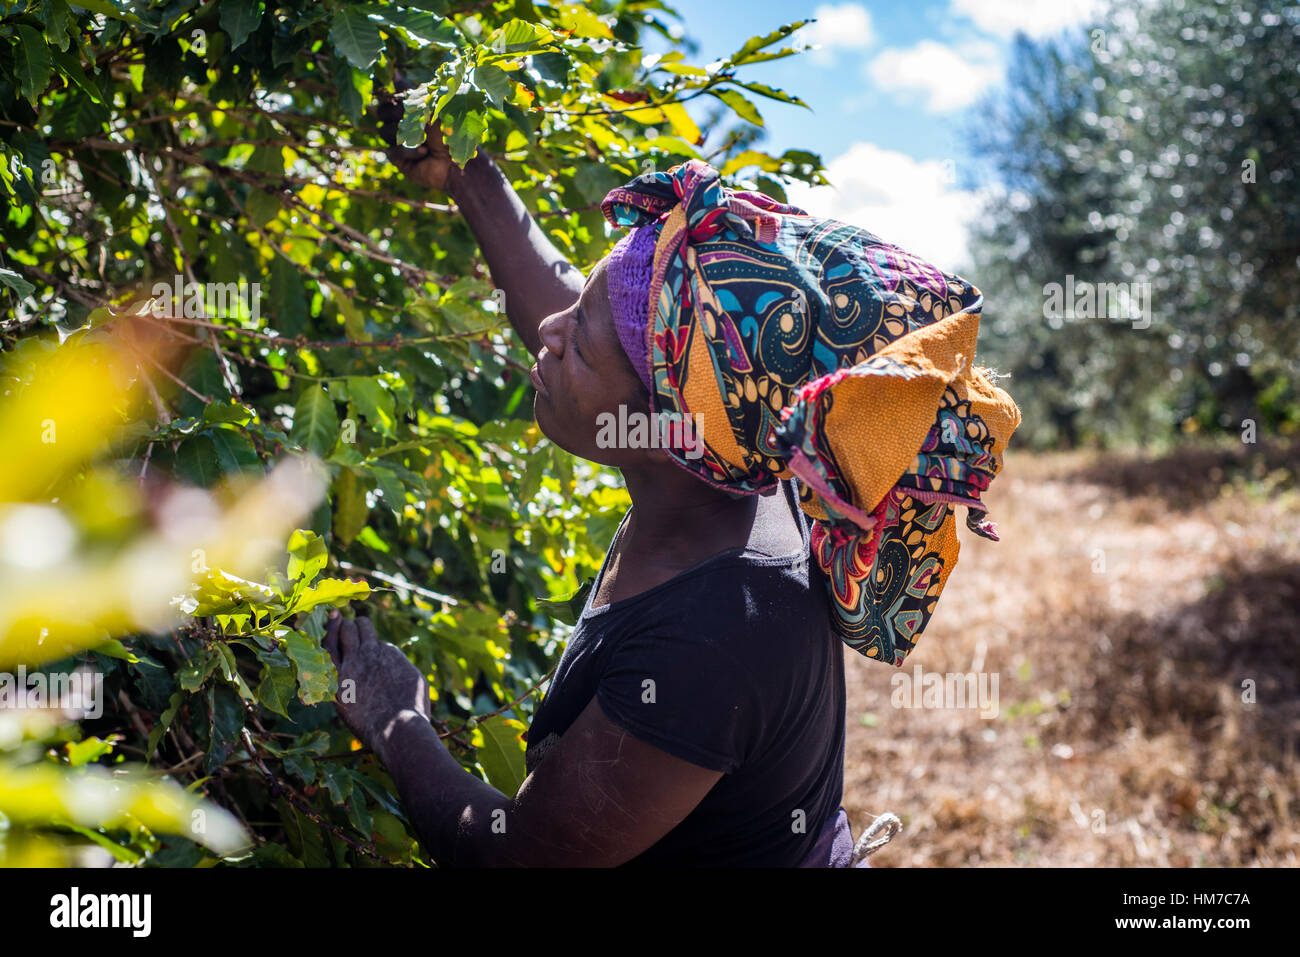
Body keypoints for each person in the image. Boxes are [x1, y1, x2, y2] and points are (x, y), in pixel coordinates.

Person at [321, 121, 1020, 867]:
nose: (548, 332)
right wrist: (469, 172)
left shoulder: (714, 640)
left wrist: (398, 721)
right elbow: (585, 320)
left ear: (661, 429)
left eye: (578, 338)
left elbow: (521, 858)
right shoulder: (744, 461)